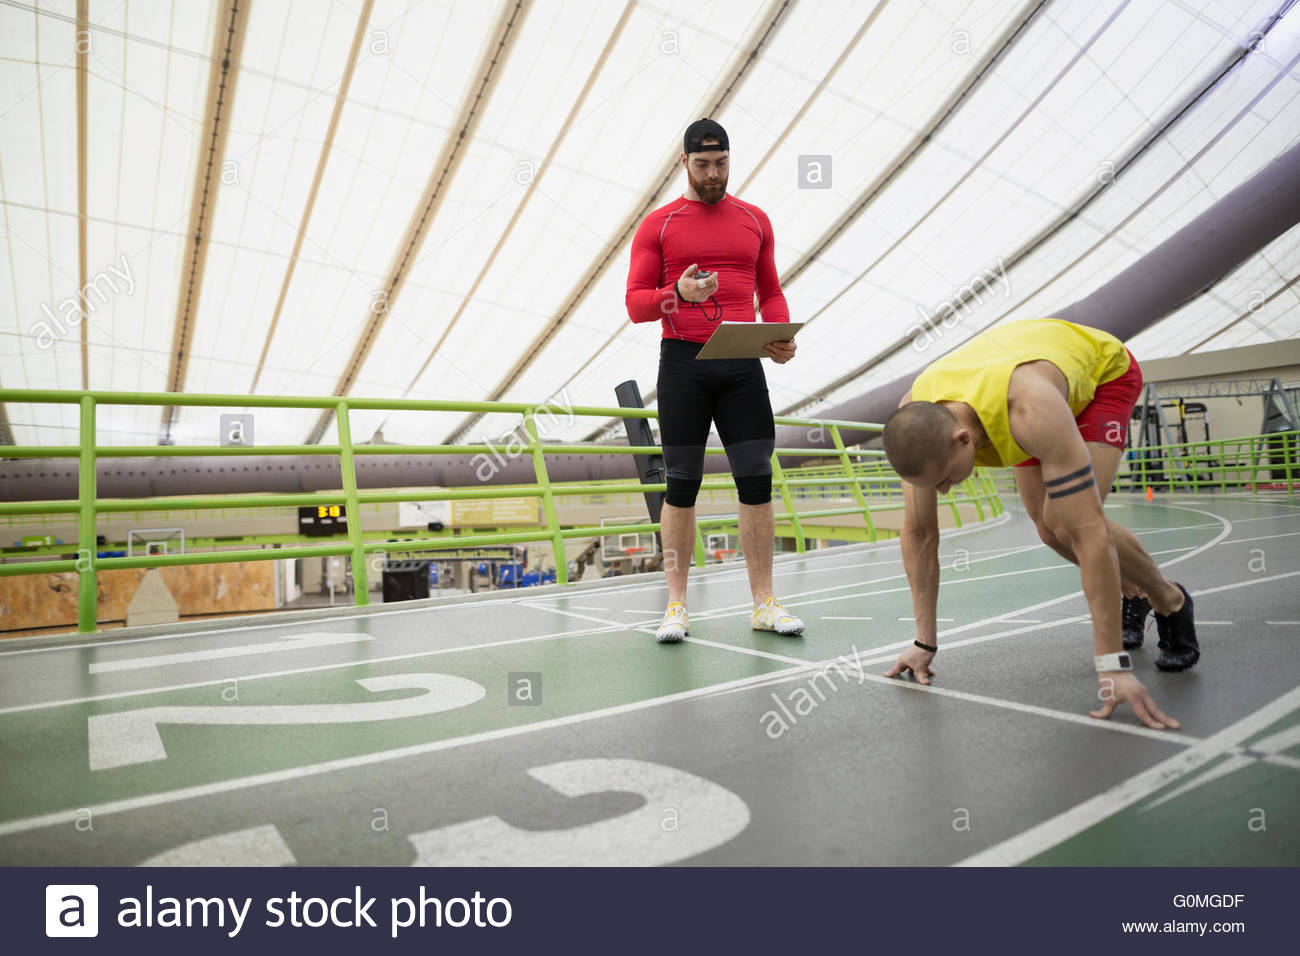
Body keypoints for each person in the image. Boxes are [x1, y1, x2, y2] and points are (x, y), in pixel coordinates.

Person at [880, 318, 1200, 729]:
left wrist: (1112, 667)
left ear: (963, 440)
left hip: (1101, 376)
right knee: (1047, 530)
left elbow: (1089, 533)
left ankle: (1170, 601)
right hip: (1010, 387)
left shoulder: (1031, 411)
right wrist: (924, 642)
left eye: (943, 480)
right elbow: (921, 534)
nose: (942, 493)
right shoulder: (918, 421)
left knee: (1067, 520)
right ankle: (1133, 593)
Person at [626, 118, 802, 643]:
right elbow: (636, 305)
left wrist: (779, 334)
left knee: (756, 477)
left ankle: (764, 602)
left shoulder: (755, 219)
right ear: (684, 163)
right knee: (681, 481)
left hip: (742, 364)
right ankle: (676, 605)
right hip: (683, 364)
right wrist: (675, 293)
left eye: (721, 163)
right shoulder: (657, 224)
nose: (713, 173)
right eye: (702, 165)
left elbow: (769, 291)